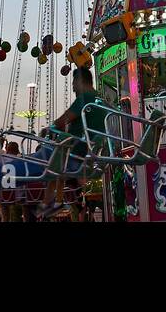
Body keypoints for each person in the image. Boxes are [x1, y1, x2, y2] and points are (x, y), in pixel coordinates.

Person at [38, 68, 104, 219]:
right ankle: (55, 201)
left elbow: (62, 121)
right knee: (59, 160)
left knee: (47, 158)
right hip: (90, 150)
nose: (73, 87)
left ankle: (47, 203)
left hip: (77, 151)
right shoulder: (100, 98)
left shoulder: (84, 99)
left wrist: (48, 129)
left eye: (74, 83)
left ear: (80, 81)